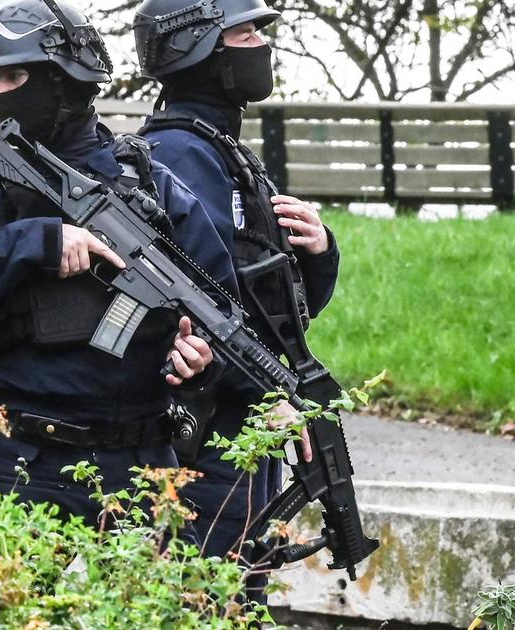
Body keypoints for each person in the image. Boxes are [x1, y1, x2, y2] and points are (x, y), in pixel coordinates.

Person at [0, 0, 238, 527]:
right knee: (9, 612)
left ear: (67, 77)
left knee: (145, 611)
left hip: (142, 460)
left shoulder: (151, 184)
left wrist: (199, 363)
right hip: (24, 460)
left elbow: (217, 308)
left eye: (15, 76)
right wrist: (35, 241)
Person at [133, 0, 341, 561]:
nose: (261, 46)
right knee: (211, 595)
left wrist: (319, 249)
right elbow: (198, 301)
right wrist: (265, 392)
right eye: (245, 33)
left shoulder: (226, 152)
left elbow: (280, 308)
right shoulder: (175, 153)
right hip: (212, 425)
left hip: (251, 415)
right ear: (199, 47)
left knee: (239, 590)